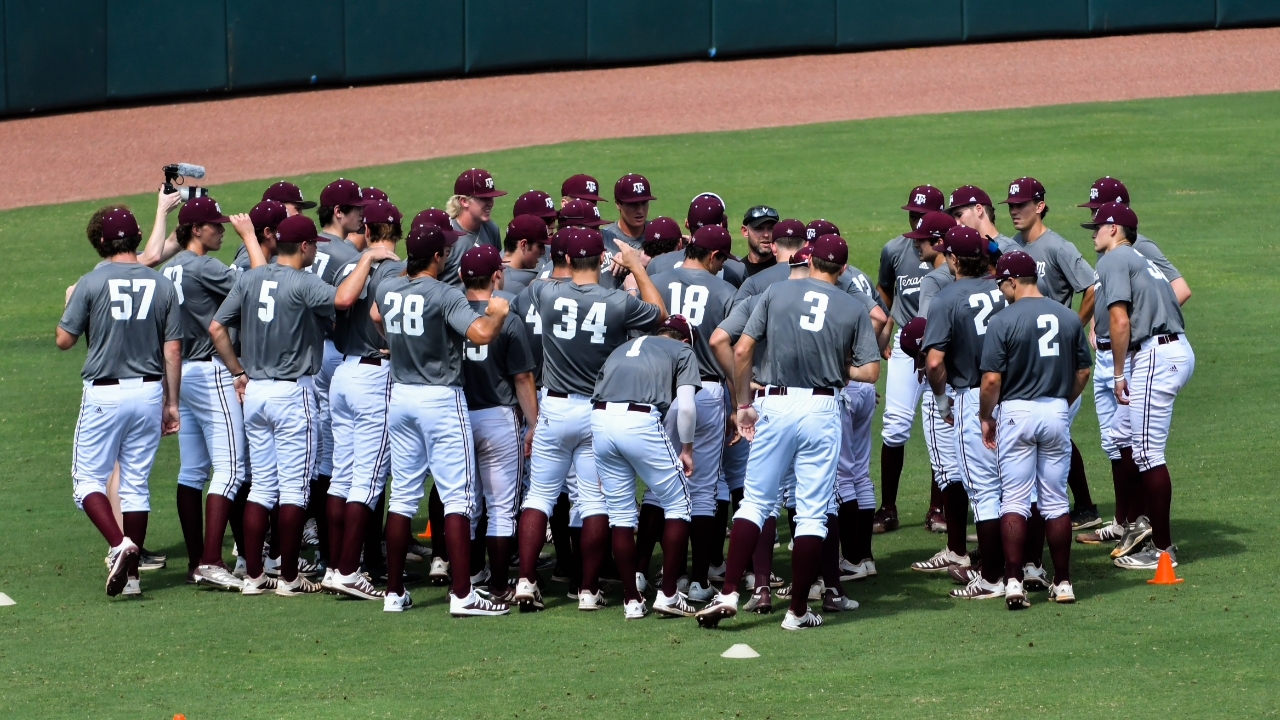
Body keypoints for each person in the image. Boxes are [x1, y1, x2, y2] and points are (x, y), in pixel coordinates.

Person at [697, 234, 880, 630]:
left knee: (755, 502)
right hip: (822, 406)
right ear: (843, 269)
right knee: (814, 512)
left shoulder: (776, 291)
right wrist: (837, 366)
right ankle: (797, 611)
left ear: (810, 261)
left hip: (774, 402)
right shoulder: (852, 305)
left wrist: (743, 405)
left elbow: (741, 350)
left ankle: (729, 592)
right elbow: (869, 371)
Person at [511, 228, 667, 612]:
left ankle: (526, 580)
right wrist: (634, 267)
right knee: (594, 501)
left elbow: (529, 293)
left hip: (554, 405)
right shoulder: (617, 301)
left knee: (539, 496)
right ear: (601, 259)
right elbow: (660, 314)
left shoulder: (545, 292)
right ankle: (587, 588)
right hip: (596, 409)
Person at [372, 224, 513, 615]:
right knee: (459, 496)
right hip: (439, 397)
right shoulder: (445, 294)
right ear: (438, 257)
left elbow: (374, 315)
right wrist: (498, 314)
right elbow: (482, 334)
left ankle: (394, 592)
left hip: (400, 396)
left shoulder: (387, 289)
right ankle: (463, 594)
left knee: (402, 495)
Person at [58, 206, 183, 597]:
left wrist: (71, 303)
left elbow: (64, 340)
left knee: (86, 482)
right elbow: (173, 349)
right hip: (148, 392)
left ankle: (119, 545)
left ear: (100, 242)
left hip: (104, 393)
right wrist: (171, 402)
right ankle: (131, 581)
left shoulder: (91, 283)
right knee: (135, 485)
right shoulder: (162, 284)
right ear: (136, 238)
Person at [210, 215, 336, 597]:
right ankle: (290, 577)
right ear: (303, 247)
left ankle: (252, 577)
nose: (316, 249)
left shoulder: (250, 277)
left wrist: (237, 370)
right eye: (313, 243)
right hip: (292, 393)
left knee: (261, 487)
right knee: (295, 489)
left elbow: (217, 328)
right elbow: (344, 300)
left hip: (256, 392)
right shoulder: (306, 282)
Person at [1074, 178, 1191, 546]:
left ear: (1114, 227)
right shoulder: (1131, 257)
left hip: (1152, 352)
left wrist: (1123, 370)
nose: (1092, 228)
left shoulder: (1123, 254)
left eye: (1096, 223)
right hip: (1164, 347)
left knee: (1145, 451)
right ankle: (1137, 528)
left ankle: (1160, 548)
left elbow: (1123, 318)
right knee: (1123, 439)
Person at [978, 250, 1092, 609]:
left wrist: (987, 415)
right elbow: (1083, 372)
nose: (1000, 290)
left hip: (1016, 411)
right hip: (1056, 411)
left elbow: (992, 379)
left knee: (1013, 499)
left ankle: (1013, 582)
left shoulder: (1003, 319)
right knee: (1056, 501)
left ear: (1013, 281)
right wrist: (1062, 399)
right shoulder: (1068, 317)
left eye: (1001, 283)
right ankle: (1063, 582)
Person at [163, 197, 267, 589]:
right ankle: (210, 559)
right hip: (211, 373)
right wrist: (249, 235)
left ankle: (195, 561)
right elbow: (260, 282)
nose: (221, 230)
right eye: (214, 225)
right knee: (232, 468)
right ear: (195, 230)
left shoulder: (171, 268)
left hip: (182, 373)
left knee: (191, 471)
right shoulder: (204, 265)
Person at [1001, 177, 1100, 525]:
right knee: (1053, 432)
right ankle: (1080, 507)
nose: (1015, 211)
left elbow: (1091, 286)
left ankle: (1036, 515)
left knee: (1048, 432)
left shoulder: (1058, 247)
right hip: (1023, 359)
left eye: (1022, 205)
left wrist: (1071, 325)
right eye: (1011, 206)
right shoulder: (1010, 246)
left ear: (1040, 206)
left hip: (1055, 361)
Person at [648, 225, 739, 602]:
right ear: (714, 256)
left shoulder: (656, 277)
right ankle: (699, 580)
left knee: (658, 487)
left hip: (656, 389)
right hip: (706, 389)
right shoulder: (726, 291)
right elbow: (728, 349)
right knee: (702, 490)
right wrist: (738, 402)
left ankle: (642, 573)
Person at [591, 315, 700, 619]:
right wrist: (687, 449)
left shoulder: (623, 347)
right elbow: (687, 406)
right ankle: (668, 594)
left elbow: (597, 397)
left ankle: (631, 600)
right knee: (679, 504)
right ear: (684, 341)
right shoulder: (682, 351)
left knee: (620, 517)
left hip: (600, 419)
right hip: (640, 418)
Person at [921, 226, 1009, 598]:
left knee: (985, 493)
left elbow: (935, 363)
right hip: (1016, 397)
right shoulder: (1006, 291)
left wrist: (941, 401)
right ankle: (1027, 567)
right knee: (1018, 489)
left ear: (953, 259)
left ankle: (992, 578)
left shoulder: (946, 298)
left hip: (973, 398)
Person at [323, 201, 404, 600]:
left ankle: (335, 564)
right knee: (368, 481)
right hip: (375, 375)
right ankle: (349, 569)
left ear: (368, 232)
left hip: (343, 372)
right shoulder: (396, 269)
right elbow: (379, 313)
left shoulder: (350, 266)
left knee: (343, 475)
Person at [459, 244, 539, 601]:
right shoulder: (508, 318)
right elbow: (522, 378)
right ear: (496, 275)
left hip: (457, 415)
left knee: (465, 503)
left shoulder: (451, 311)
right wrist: (534, 423)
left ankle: (470, 575)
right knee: (501, 508)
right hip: (497, 418)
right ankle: (498, 585)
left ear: (461, 275)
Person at [875, 185, 945, 533]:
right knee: (895, 424)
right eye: (912, 214)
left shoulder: (951, 253)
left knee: (940, 427)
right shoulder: (894, 249)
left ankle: (938, 508)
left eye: (922, 216)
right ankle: (888, 508)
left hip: (942, 347)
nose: (915, 221)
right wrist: (886, 324)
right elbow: (885, 289)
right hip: (905, 345)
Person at [904, 210, 960, 534]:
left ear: (940, 243)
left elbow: (928, 338)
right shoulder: (982, 282)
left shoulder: (934, 282)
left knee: (949, 469)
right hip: (978, 382)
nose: (916, 245)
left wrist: (922, 361)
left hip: (946, 382)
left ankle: (956, 552)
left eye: (922, 240)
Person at [446, 168, 507, 287]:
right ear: (464, 201)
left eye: (491, 198)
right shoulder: (445, 233)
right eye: (483, 198)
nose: (491, 203)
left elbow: (497, 273)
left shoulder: (491, 229)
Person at [502, 215, 548, 296]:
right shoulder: (514, 286)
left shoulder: (497, 271)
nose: (543, 252)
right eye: (540, 246)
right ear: (523, 244)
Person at [740, 205, 779, 278]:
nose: (766, 235)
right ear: (745, 231)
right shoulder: (738, 273)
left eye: (771, 228)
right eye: (759, 229)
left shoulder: (786, 270)